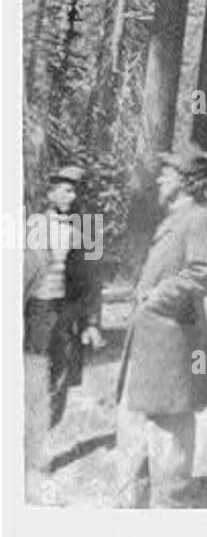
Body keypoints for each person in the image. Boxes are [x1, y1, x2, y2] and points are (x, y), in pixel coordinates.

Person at [115, 144, 207, 508]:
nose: (160, 178)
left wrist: (159, 296)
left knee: (170, 431)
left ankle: (168, 514)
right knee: (136, 424)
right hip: (151, 343)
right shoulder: (173, 220)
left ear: (185, 181)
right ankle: (132, 508)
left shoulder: (199, 218)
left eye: (168, 172)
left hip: (174, 345)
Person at [24, 164, 102, 490]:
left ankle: (37, 450)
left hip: (65, 314)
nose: (73, 196)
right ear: (51, 192)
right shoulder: (31, 224)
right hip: (35, 313)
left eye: (77, 191)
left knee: (58, 382)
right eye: (66, 189)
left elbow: (92, 281)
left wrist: (92, 321)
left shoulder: (87, 228)